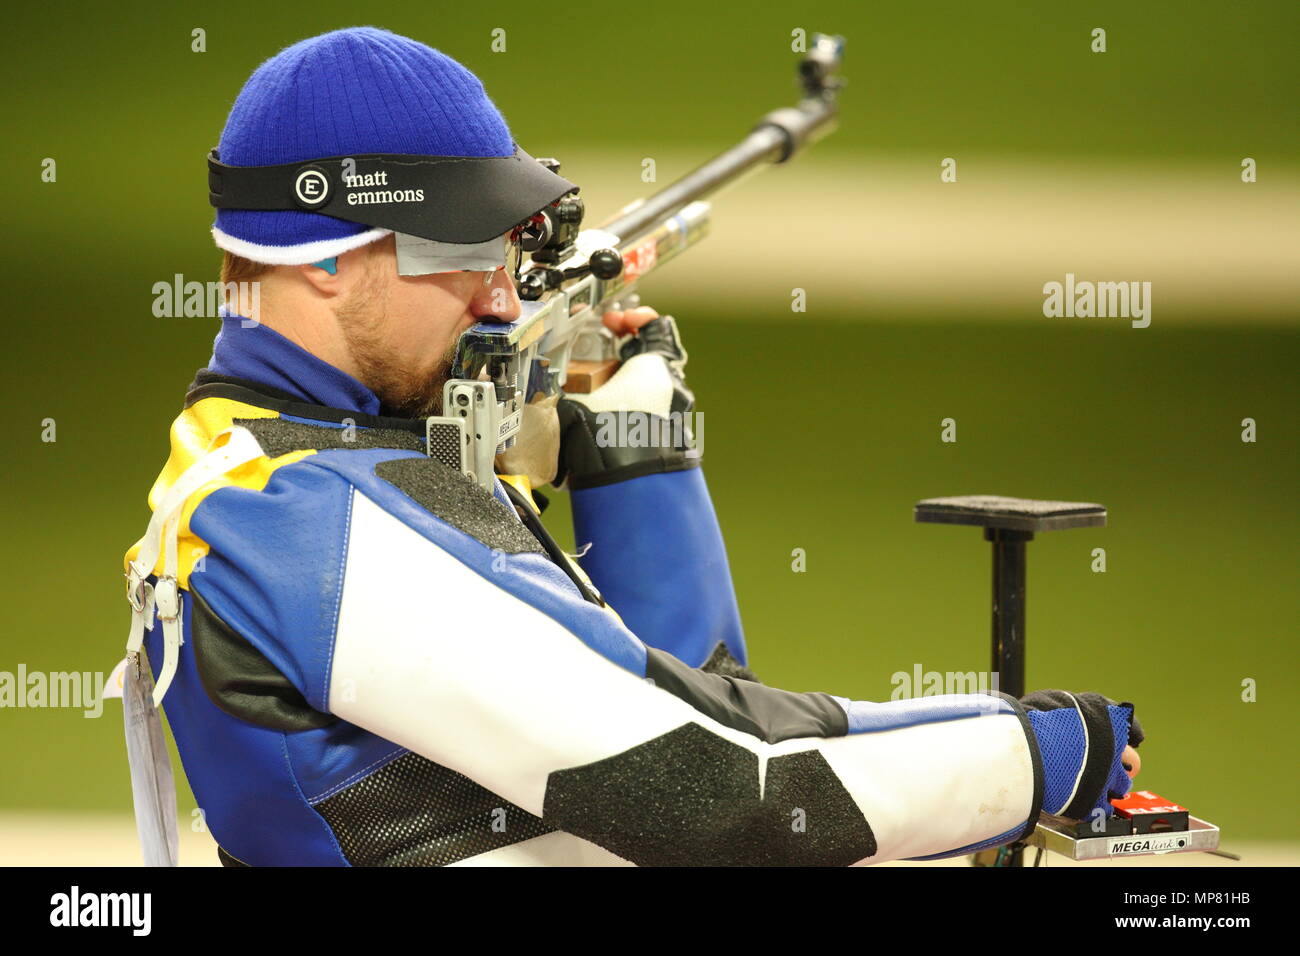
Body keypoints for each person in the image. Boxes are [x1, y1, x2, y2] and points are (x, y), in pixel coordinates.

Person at [121, 26, 1141, 866]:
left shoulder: (309, 462)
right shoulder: (321, 526)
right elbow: (734, 800)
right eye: (461, 246)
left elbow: (689, 694)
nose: (502, 293)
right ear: (331, 262)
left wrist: (629, 451)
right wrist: (1034, 752)